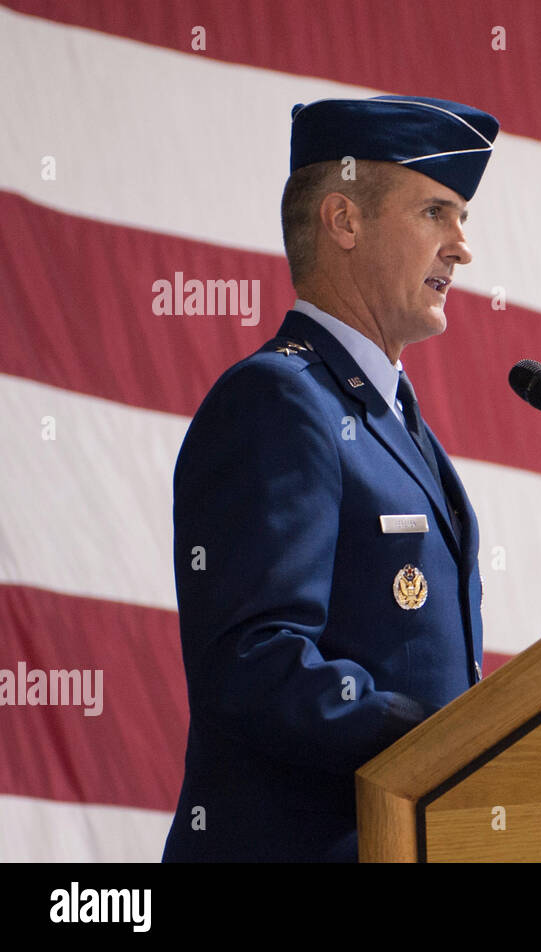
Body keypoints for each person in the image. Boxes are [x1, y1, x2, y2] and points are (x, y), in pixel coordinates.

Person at [162, 95, 498, 862]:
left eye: (463, 220)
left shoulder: (393, 420)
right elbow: (256, 665)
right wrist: (446, 743)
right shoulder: (279, 400)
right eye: (436, 213)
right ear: (344, 222)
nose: (462, 248)